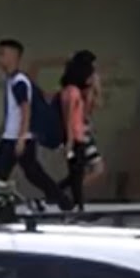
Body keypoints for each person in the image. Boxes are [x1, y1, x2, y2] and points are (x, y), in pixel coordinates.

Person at [0, 39, 71, 209]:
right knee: (33, 173)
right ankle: (63, 200)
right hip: (13, 137)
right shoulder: (12, 81)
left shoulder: (19, 82)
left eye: (2, 54)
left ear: (13, 56)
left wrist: (22, 138)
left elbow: (26, 110)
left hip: (16, 139)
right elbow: (12, 115)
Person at [57, 50, 106, 205]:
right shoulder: (77, 90)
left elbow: (97, 106)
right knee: (94, 168)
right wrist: (94, 90)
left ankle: (60, 192)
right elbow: (82, 112)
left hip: (83, 130)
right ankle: (66, 195)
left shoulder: (84, 86)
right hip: (80, 132)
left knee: (82, 171)